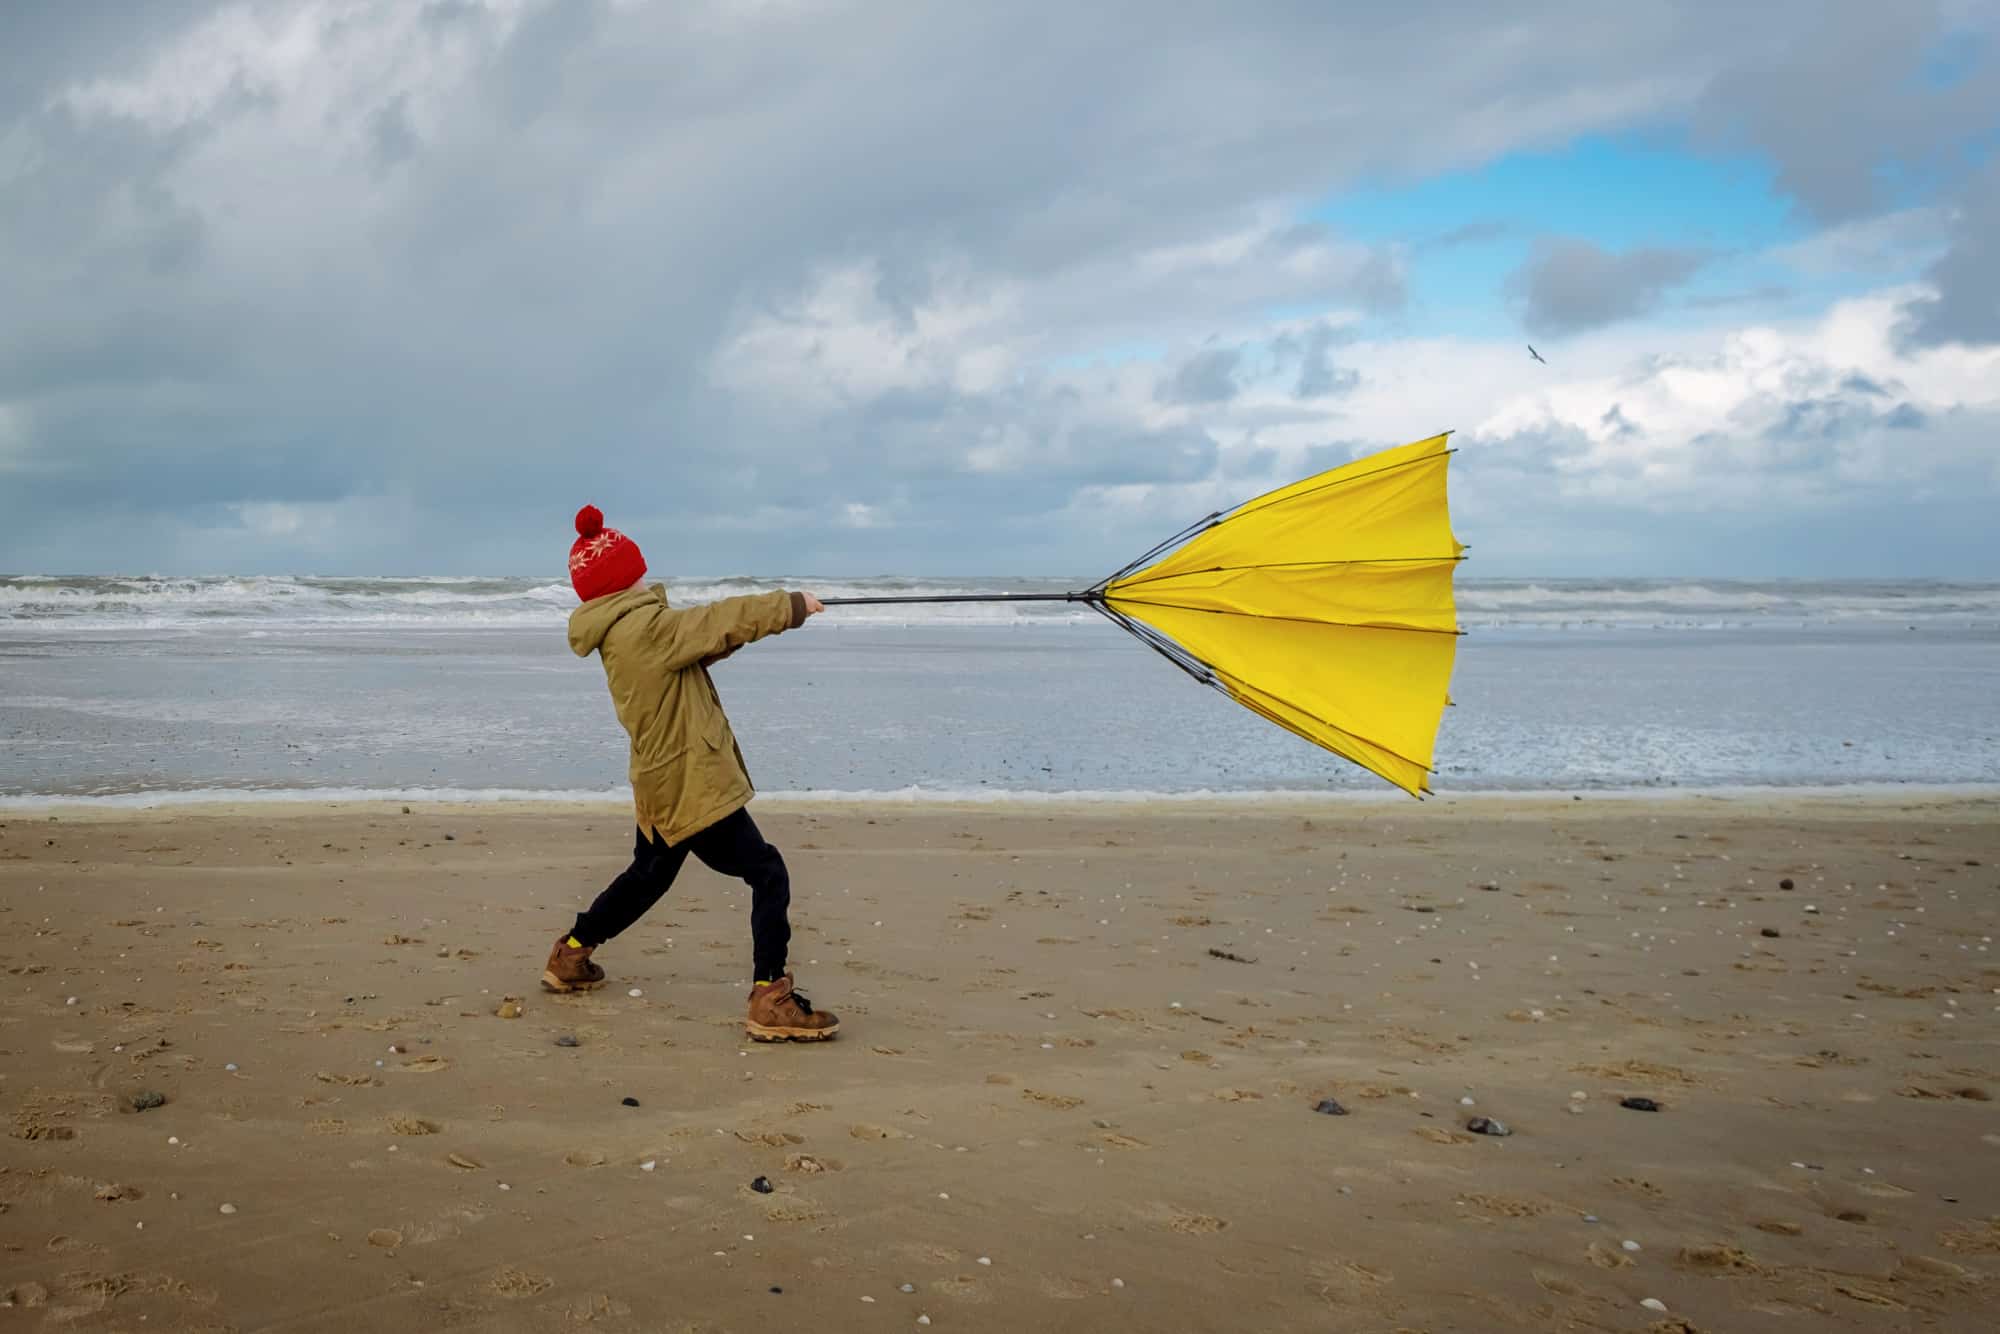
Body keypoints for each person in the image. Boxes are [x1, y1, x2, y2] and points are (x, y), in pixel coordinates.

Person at [541, 504, 838, 1043]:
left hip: (659, 781)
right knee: (768, 872)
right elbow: (718, 620)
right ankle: (770, 997)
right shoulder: (648, 627)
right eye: (637, 572)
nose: (646, 579)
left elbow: (701, 644)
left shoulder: (625, 634)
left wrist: (742, 634)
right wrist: (792, 605)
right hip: (691, 784)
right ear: (623, 582)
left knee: (649, 876)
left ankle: (572, 953)